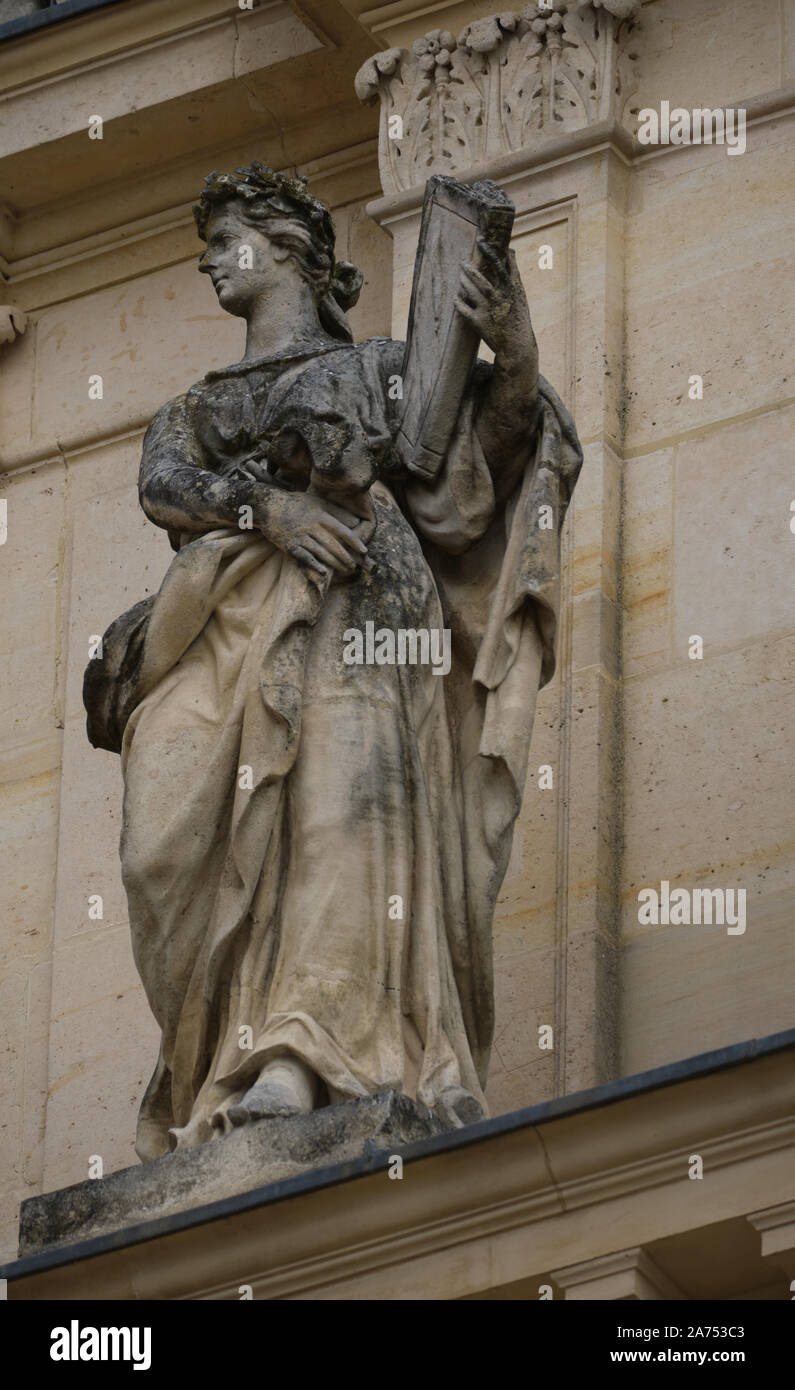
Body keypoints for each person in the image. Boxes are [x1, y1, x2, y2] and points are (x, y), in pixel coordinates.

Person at [84, 163, 582, 1160]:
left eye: (227, 239)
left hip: (365, 597)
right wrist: (270, 508)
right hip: (220, 623)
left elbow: (488, 454)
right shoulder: (195, 405)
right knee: (158, 851)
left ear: (290, 250)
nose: (208, 259)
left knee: (341, 817)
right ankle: (215, 1055)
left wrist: (514, 350)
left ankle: (303, 1053)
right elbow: (169, 486)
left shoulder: (384, 372)